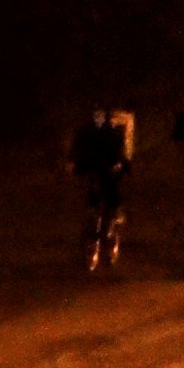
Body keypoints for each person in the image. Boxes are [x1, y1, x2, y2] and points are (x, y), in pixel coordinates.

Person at [70, 101, 134, 273]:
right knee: (93, 196)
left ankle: (114, 215)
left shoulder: (112, 134)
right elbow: (76, 149)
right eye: (95, 116)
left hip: (108, 169)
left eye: (101, 116)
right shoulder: (86, 132)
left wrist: (123, 165)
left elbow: (121, 153)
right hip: (92, 168)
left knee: (110, 190)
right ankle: (94, 219)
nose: (98, 119)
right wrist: (75, 164)